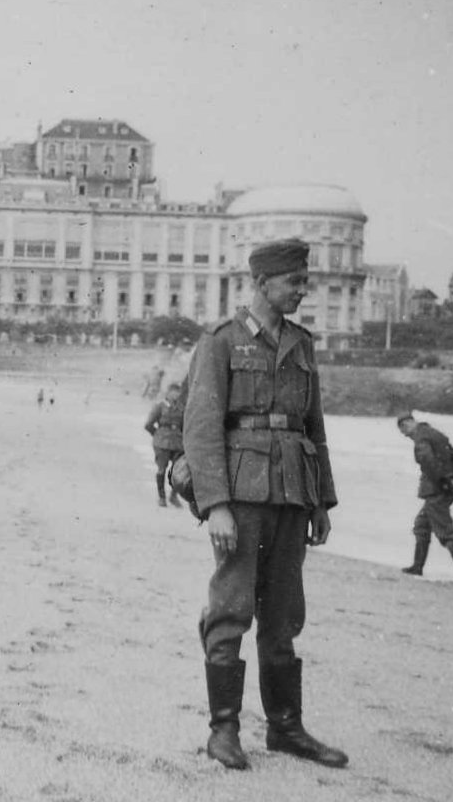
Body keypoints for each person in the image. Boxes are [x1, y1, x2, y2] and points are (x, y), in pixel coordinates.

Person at [181, 237, 348, 772]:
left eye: (304, 280)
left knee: (284, 617)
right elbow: (201, 427)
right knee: (231, 609)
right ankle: (224, 730)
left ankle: (286, 729)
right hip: (242, 495)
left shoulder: (301, 344)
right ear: (261, 283)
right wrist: (216, 506)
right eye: (294, 282)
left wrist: (322, 500)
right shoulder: (221, 342)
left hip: (292, 497)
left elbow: (313, 427)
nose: (303, 290)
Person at [397, 412, 453, 584]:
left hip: (435, 490)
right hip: (445, 488)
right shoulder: (435, 433)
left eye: (404, 430)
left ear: (408, 424)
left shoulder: (421, 437)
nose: (405, 435)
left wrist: (444, 481)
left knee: (446, 533)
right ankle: (417, 567)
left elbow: (428, 462)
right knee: (421, 526)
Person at [144, 382, 187, 508]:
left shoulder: (181, 408)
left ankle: (173, 496)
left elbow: (185, 426)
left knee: (178, 471)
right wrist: (157, 436)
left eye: (177, 392)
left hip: (177, 444)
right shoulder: (160, 406)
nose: (176, 395)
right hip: (162, 443)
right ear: (168, 393)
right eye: (173, 392)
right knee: (161, 470)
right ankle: (161, 497)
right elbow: (148, 424)